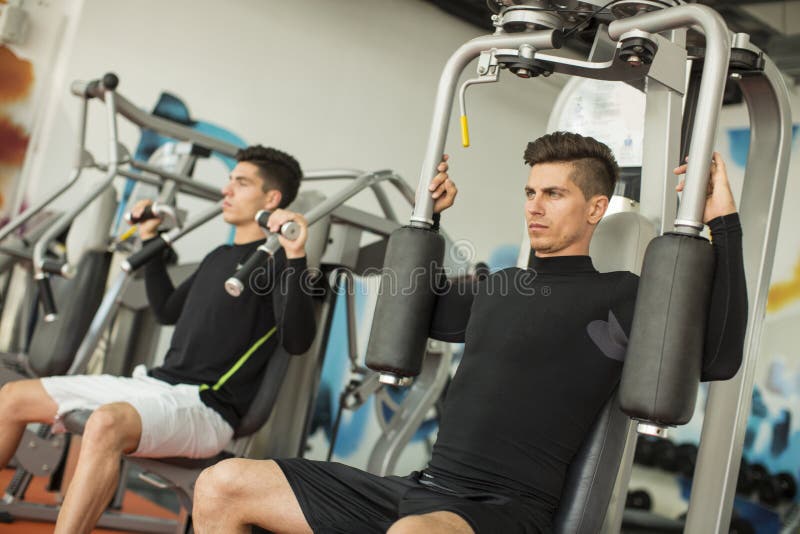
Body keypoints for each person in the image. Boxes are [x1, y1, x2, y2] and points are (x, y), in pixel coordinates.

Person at [191, 132, 747, 534]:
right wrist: (426, 222)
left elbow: (717, 356)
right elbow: (408, 310)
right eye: (530, 192)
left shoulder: (625, 296)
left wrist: (723, 223)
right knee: (224, 483)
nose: (535, 206)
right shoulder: (497, 286)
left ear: (596, 207)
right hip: (422, 491)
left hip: (504, 512)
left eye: (554, 194)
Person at [0, 145, 317, 534]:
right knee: (12, 397)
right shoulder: (220, 255)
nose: (227, 190)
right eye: (229, 180)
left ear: (272, 199)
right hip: (154, 386)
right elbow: (167, 309)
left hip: (205, 407)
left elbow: (298, 340)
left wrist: (296, 253)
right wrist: (152, 239)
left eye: (241, 183)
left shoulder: (278, 265)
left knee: (106, 423)